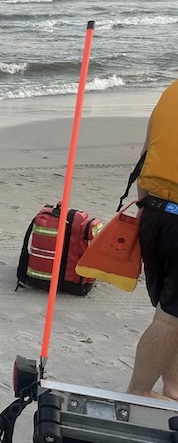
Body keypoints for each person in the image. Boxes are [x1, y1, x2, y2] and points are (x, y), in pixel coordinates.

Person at [127, 81, 178, 400]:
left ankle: (172, 386)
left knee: (170, 310)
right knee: (169, 316)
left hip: (155, 213)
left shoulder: (172, 91)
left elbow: (146, 154)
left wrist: (145, 211)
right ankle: (139, 391)